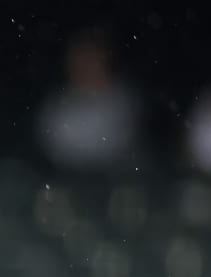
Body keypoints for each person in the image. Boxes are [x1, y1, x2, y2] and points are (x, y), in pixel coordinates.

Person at [35, 26, 140, 172]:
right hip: (66, 176)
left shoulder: (124, 103)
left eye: (90, 58)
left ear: (104, 59)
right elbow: (49, 150)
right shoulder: (56, 105)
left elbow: (124, 150)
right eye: (78, 59)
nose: (84, 66)